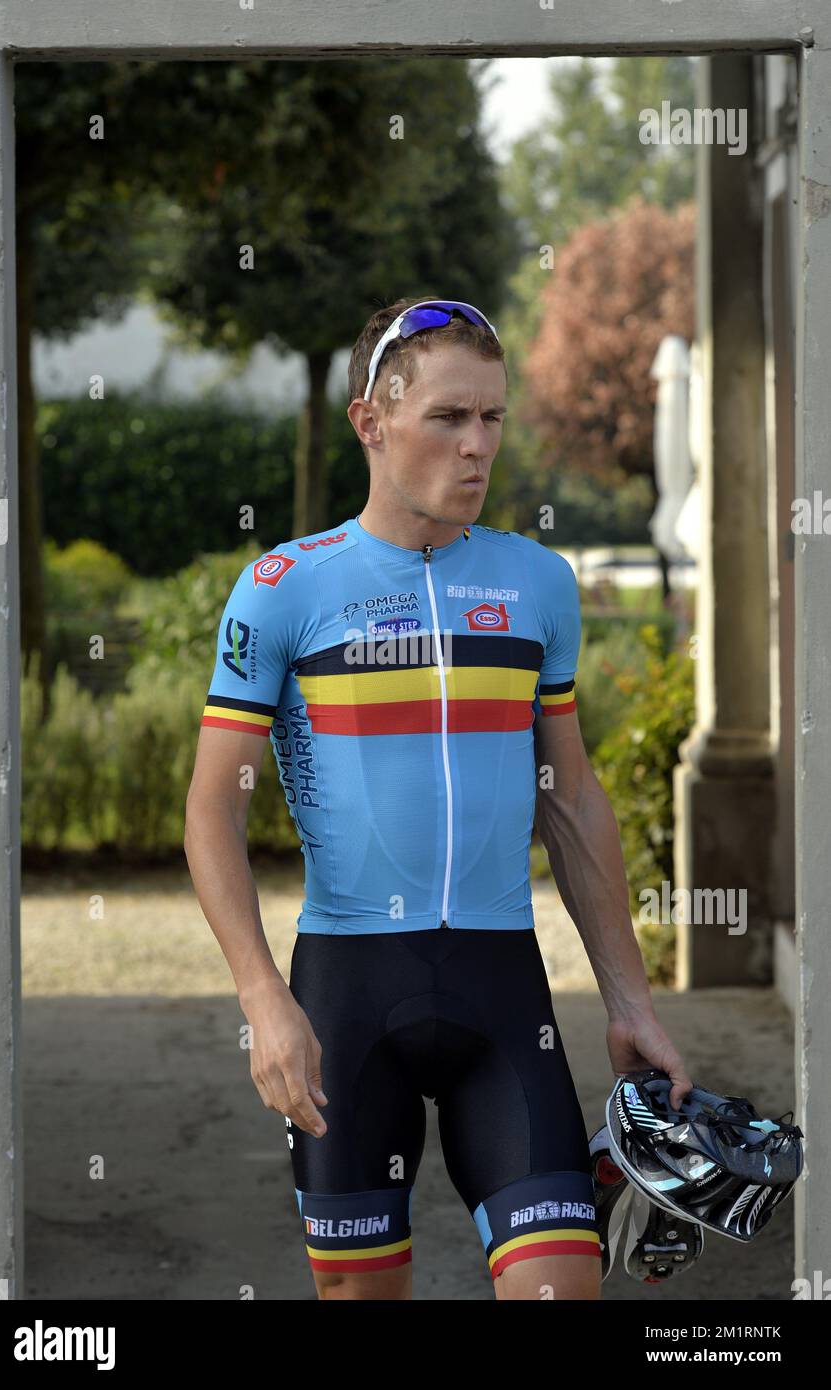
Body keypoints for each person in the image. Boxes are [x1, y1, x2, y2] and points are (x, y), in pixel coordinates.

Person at [184, 296, 693, 1301]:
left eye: (493, 419)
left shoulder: (536, 582)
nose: (478, 446)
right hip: (345, 1002)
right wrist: (261, 999)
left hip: (503, 998)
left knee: (562, 1284)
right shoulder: (284, 588)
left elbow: (573, 800)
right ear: (371, 420)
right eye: (449, 418)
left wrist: (631, 998)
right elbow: (212, 812)